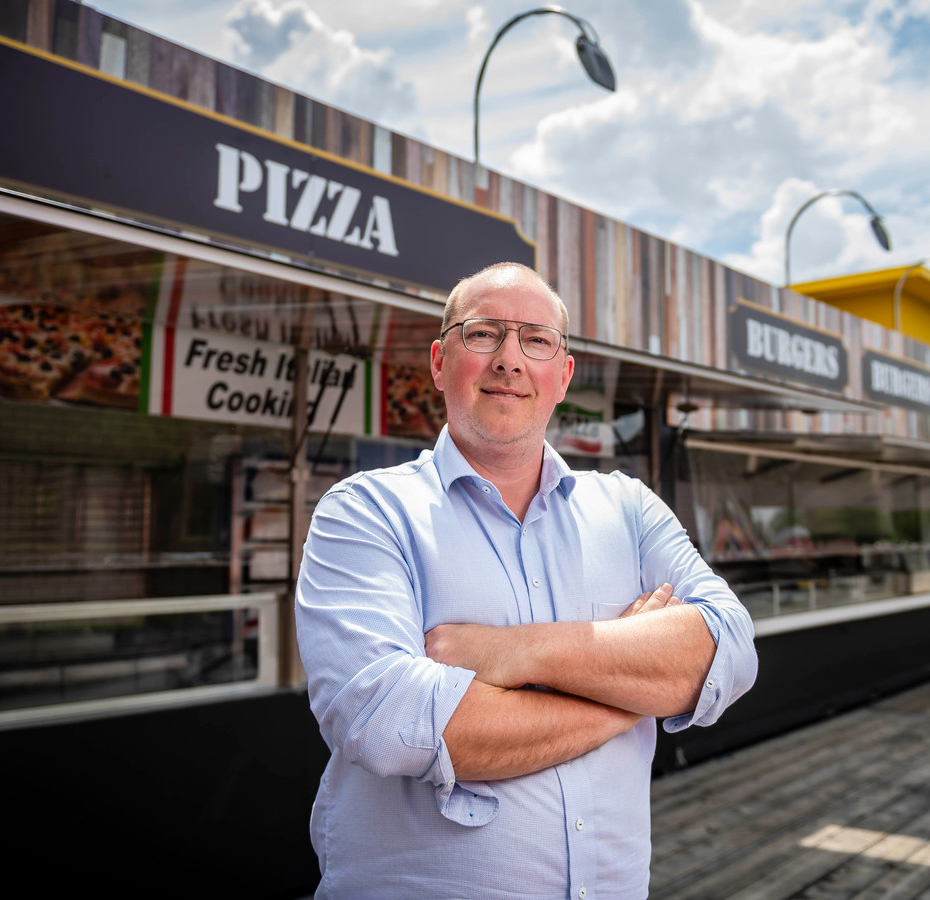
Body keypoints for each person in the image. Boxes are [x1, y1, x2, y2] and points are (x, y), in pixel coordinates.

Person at [295, 262, 758, 899]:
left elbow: (730, 651)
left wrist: (510, 654)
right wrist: (632, 691)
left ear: (562, 374)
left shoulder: (629, 507)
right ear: (438, 362)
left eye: (536, 340)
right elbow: (387, 722)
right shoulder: (364, 512)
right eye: (482, 334)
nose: (509, 360)